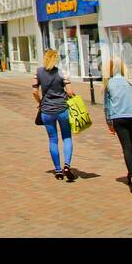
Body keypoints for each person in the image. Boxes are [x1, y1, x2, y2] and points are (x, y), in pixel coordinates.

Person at [103, 56, 132, 195]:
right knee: (131, 146)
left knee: (127, 147)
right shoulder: (131, 83)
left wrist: (109, 123)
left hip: (119, 118)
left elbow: (107, 107)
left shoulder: (109, 84)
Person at [32, 48, 76, 181]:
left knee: (53, 139)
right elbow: (69, 92)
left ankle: (58, 171)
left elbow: (34, 91)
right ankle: (67, 166)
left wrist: (40, 102)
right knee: (67, 137)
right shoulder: (62, 72)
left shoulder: (38, 72)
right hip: (62, 109)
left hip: (47, 111)